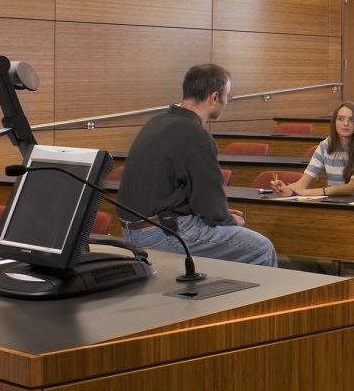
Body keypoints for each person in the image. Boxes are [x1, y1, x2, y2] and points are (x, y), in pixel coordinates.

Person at [116, 63, 277, 266]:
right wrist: (226, 219)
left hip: (133, 230)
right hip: (164, 233)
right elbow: (209, 201)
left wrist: (220, 216)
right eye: (228, 95)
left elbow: (177, 193)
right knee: (261, 248)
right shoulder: (197, 136)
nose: (227, 101)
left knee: (230, 238)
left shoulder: (156, 123)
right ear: (214, 97)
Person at [273, 101, 354, 197]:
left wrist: (307, 192)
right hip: (333, 204)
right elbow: (303, 183)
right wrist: (289, 190)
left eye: (351, 120)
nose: (345, 124)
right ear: (334, 123)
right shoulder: (325, 145)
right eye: (340, 119)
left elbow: (352, 189)